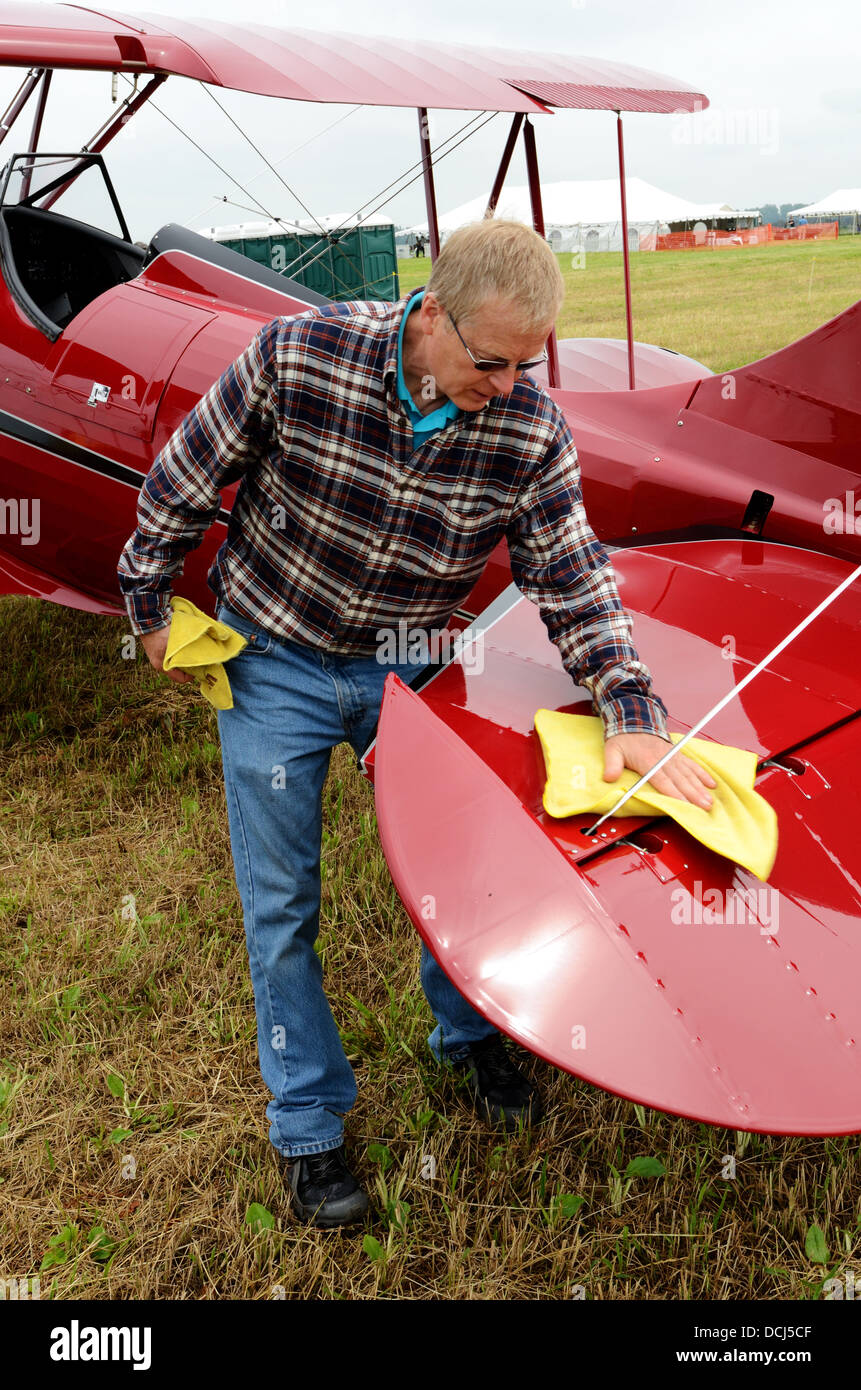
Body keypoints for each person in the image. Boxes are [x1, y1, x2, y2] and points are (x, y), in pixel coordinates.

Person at [117, 219, 715, 1228]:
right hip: (275, 657)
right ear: (428, 312)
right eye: (492, 360)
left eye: (531, 362)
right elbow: (180, 481)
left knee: (463, 876)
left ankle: (470, 1039)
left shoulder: (527, 428)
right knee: (281, 905)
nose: (510, 383)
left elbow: (572, 576)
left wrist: (631, 708)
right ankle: (309, 1132)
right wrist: (147, 607)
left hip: (413, 666)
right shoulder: (297, 357)